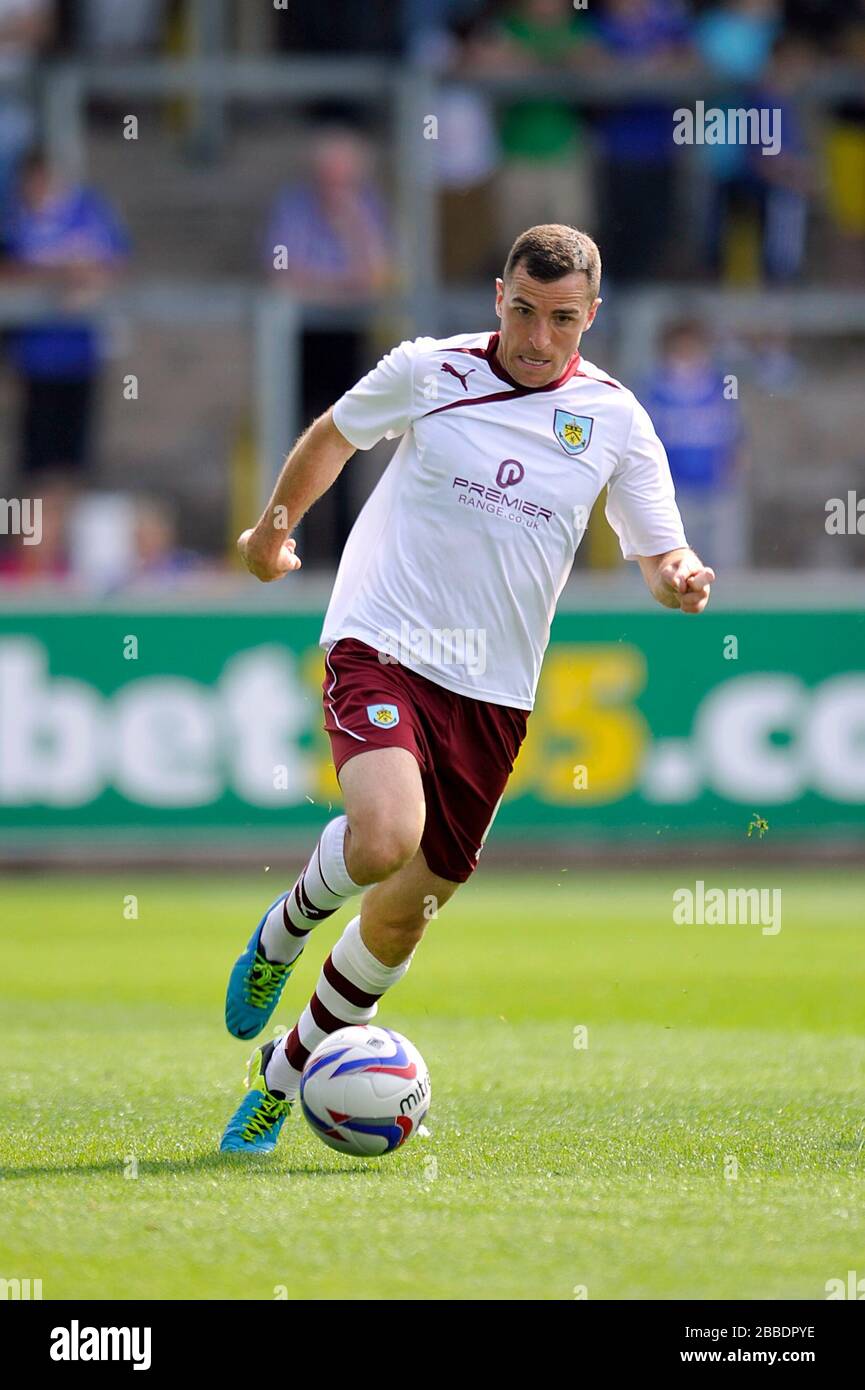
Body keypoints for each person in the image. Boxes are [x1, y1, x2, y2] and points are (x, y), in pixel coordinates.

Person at [219, 223, 714, 1154]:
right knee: (382, 837)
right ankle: (280, 939)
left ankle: (283, 1078)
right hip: (384, 638)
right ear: (498, 296)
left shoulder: (614, 419)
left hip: (493, 692)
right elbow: (333, 435)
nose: (537, 339)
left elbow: (657, 548)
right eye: (523, 312)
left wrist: (680, 576)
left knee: (405, 915)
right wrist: (272, 530)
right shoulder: (428, 370)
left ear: (590, 318)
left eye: (561, 321)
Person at [0, 150, 129, 480]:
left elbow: (111, 264)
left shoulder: (87, 209)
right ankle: (39, 525)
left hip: (80, 355)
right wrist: (59, 272)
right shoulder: (15, 217)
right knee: (39, 461)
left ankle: (58, 522)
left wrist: (84, 277)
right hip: (36, 358)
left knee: (74, 461)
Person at [641, 317, 748, 569]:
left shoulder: (720, 385)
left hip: (716, 490)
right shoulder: (652, 389)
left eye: (693, 347)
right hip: (673, 493)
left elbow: (738, 436)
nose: (687, 354)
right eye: (681, 348)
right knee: (673, 562)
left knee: (725, 562)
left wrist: (734, 474)